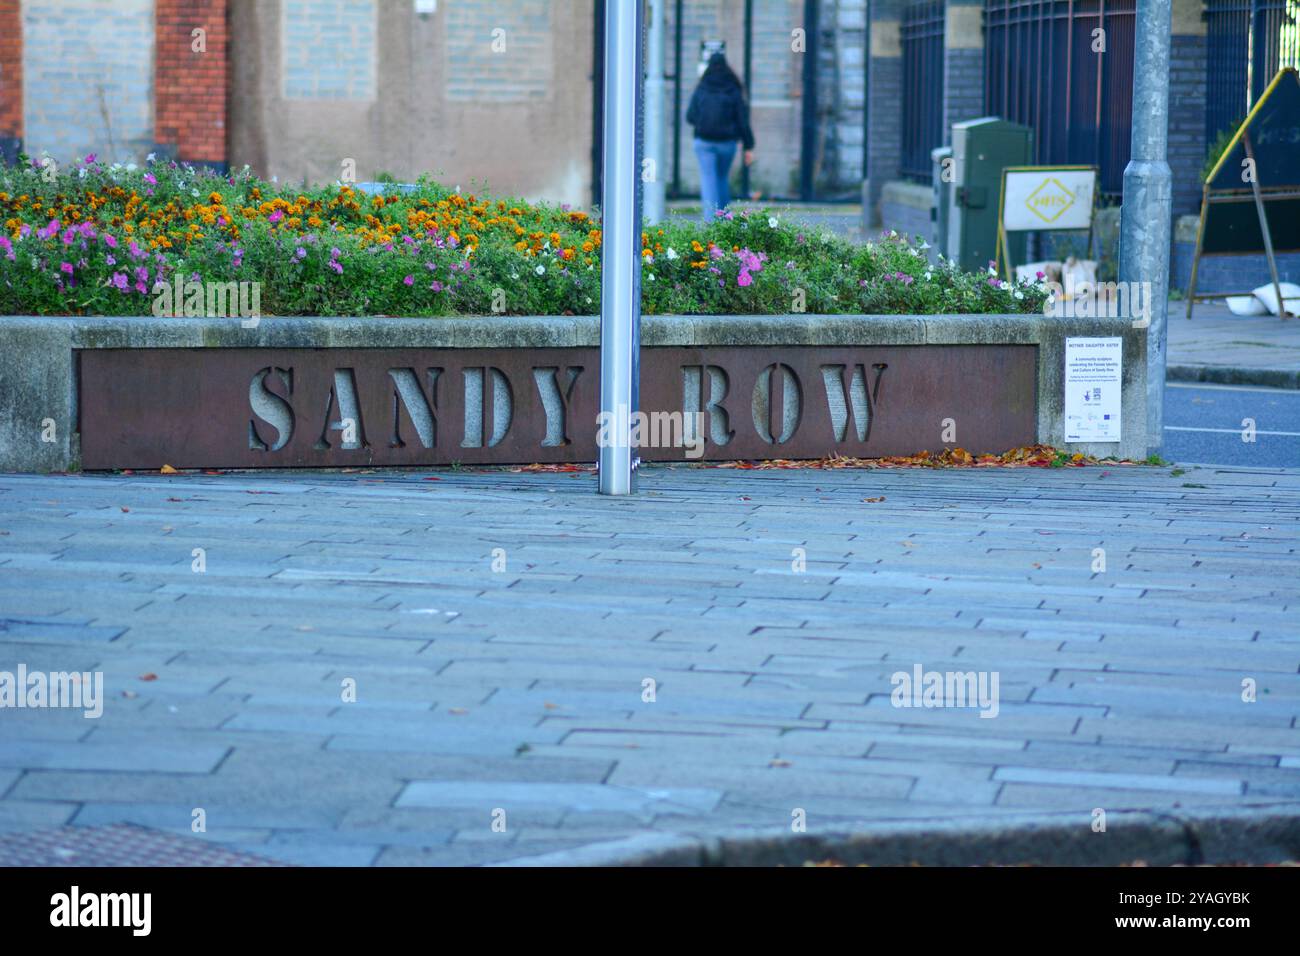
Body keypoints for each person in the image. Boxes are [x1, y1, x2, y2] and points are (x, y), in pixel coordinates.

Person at [686, 52, 755, 219]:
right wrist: (748, 145)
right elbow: (742, 120)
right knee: (722, 179)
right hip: (727, 144)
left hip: (704, 142)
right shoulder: (733, 88)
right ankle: (725, 219)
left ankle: (711, 224)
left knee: (709, 180)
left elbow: (690, 116)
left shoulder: (702, 87)